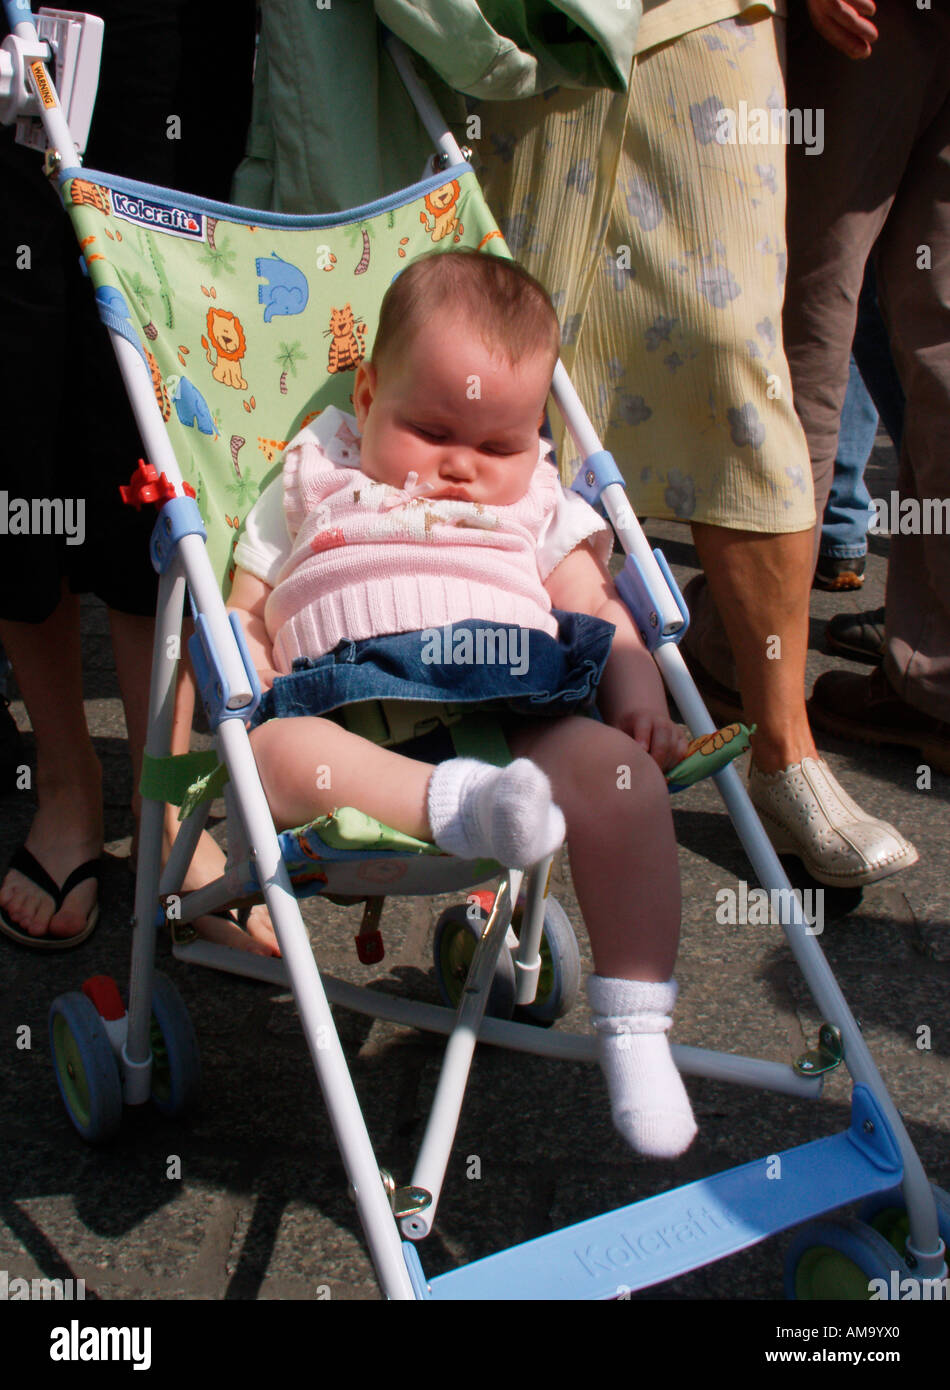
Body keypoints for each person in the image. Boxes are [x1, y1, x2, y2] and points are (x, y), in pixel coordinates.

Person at [228, 251, 697, 1158]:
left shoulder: (539, 502)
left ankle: (638, 1028)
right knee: (272, 751)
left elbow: (598, 609)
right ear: (365, 398)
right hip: (346, 712)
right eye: (431, 429)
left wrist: (638, 697)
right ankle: (468, 809)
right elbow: (246, 605)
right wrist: (246, 657)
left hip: (513, 698)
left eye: (498, 447)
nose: (462, 468)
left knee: (623, 778)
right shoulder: (314, 472)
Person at [782, 0, 950, 777]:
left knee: (807, 312)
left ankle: (747, 659)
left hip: (878, 26)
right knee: (942, 335)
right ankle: (937, 678)